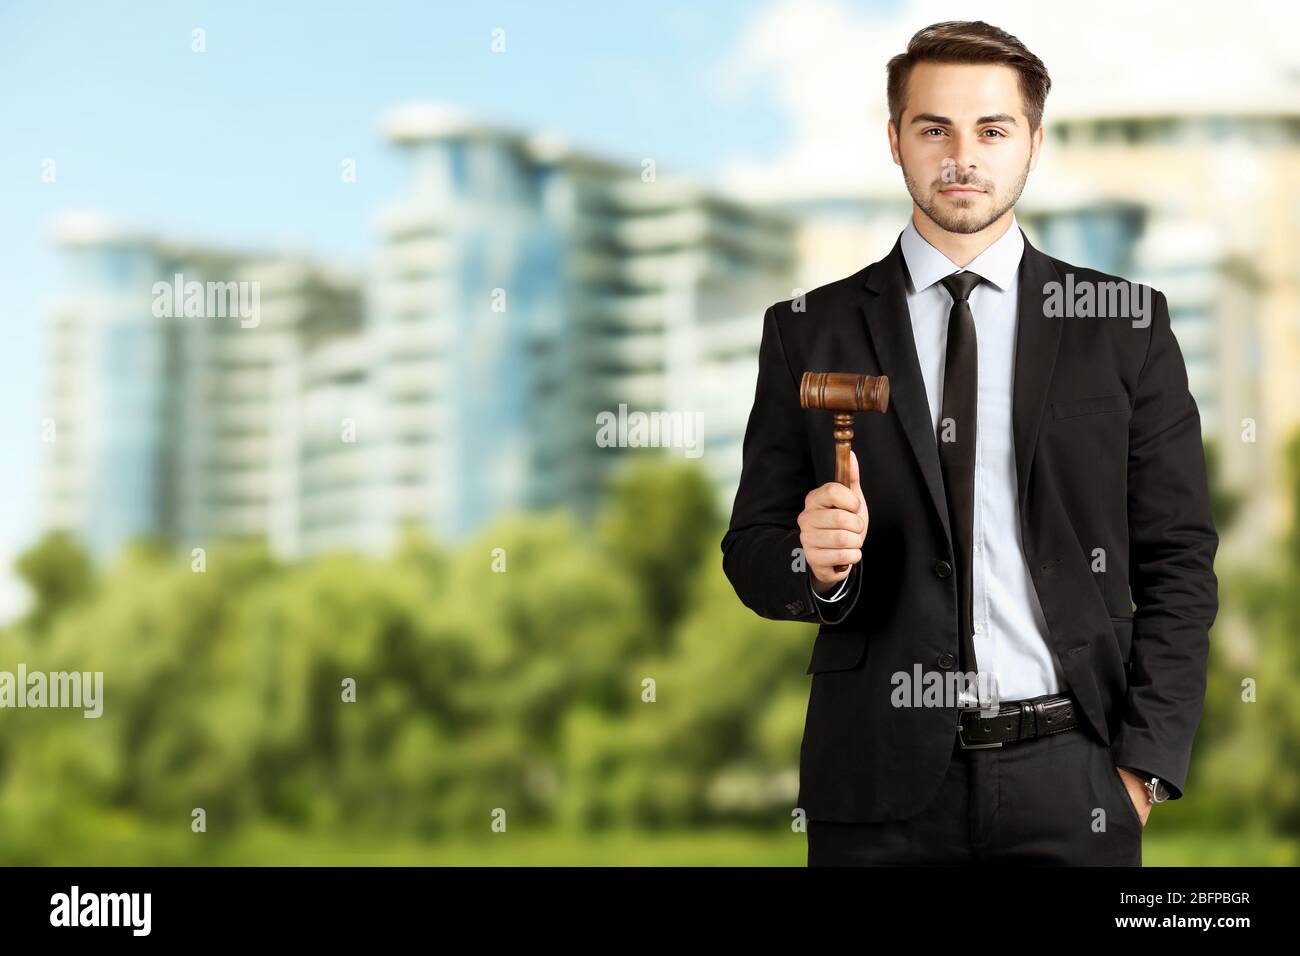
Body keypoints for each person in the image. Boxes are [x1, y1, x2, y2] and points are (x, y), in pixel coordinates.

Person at [720, 20, 1219, 865]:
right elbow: (752, 552)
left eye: (992, 129)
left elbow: (1178, 559)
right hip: (874, 790)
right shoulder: (809, 331)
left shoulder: (1126, 326)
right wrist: (818, 566)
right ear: (894, 139)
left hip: (1075, 778)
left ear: (1033, 141)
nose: (963, 156)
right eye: (933, 128)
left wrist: (1143, 771)